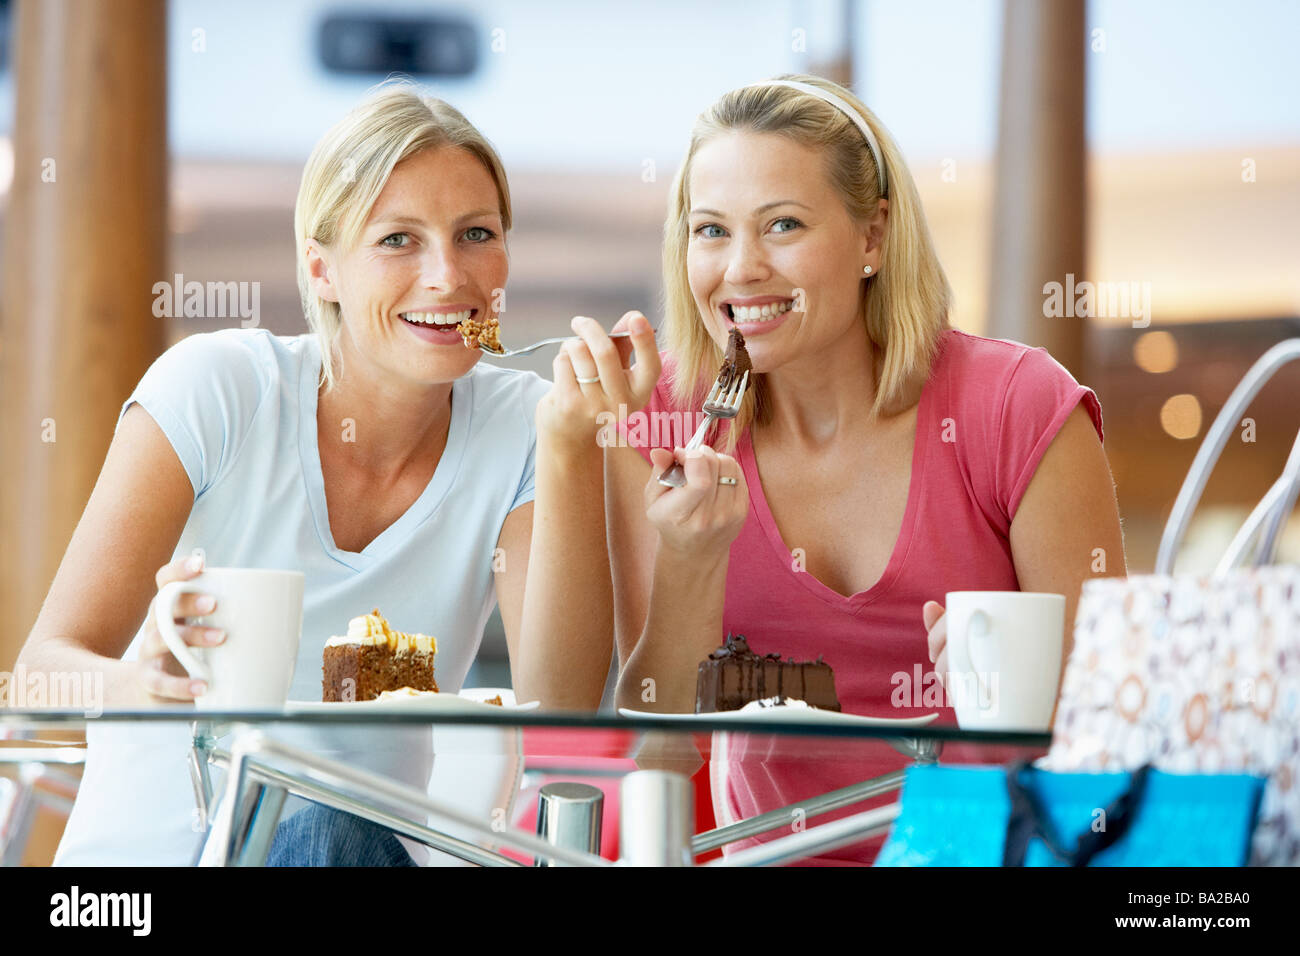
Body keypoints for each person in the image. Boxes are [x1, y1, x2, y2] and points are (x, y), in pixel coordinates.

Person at [17, 83, 658, 865]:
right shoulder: (217, 389)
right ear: (322, 271)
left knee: (335, 833)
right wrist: (136, 682)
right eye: (398, 239)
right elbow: (39, 672)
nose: (447, 276)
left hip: (366, 854)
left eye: (476, 233)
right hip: (154, 866)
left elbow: (554, 708)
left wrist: (569, 451)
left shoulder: (524, 427)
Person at [601, 74, 1127, 864]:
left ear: (873, 237)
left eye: (782, 224)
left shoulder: (1015, 407)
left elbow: (1115, 718)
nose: (740, 269)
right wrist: (688, 562)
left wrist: (1008, 697)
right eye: (710, 230)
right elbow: (659, 756)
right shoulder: (667, 415)